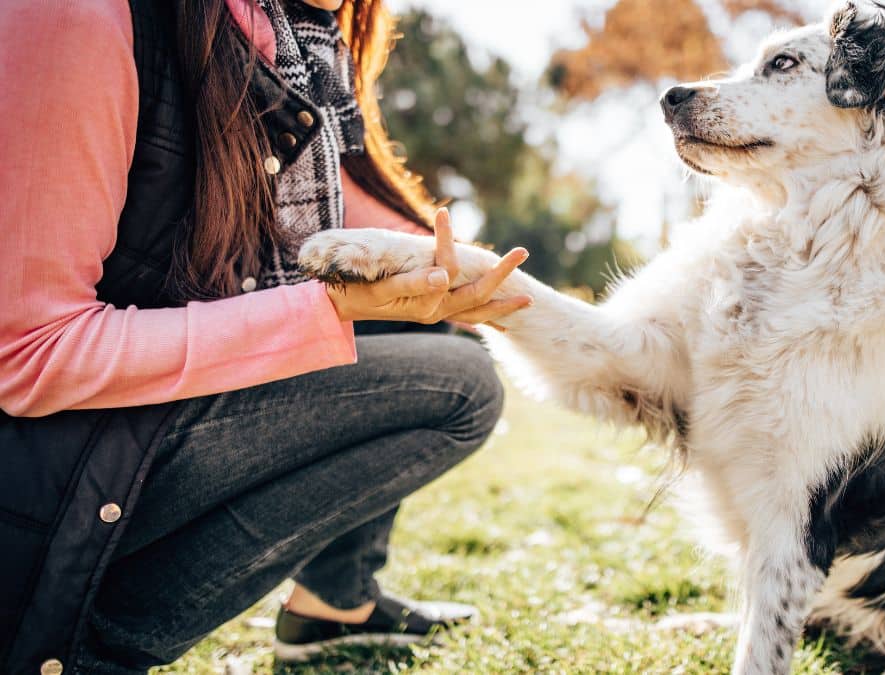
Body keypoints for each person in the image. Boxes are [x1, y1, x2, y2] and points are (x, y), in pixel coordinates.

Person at [0, 0, 533, 672]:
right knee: (458, 386)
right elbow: (27, 356)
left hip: (126, 430)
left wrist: (491, 284)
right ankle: (88, 640)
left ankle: (334, 604)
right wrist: (324, 311)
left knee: (418, 306)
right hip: (52, 473)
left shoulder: (289, 50)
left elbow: (380, 228)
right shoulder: (76, 16)